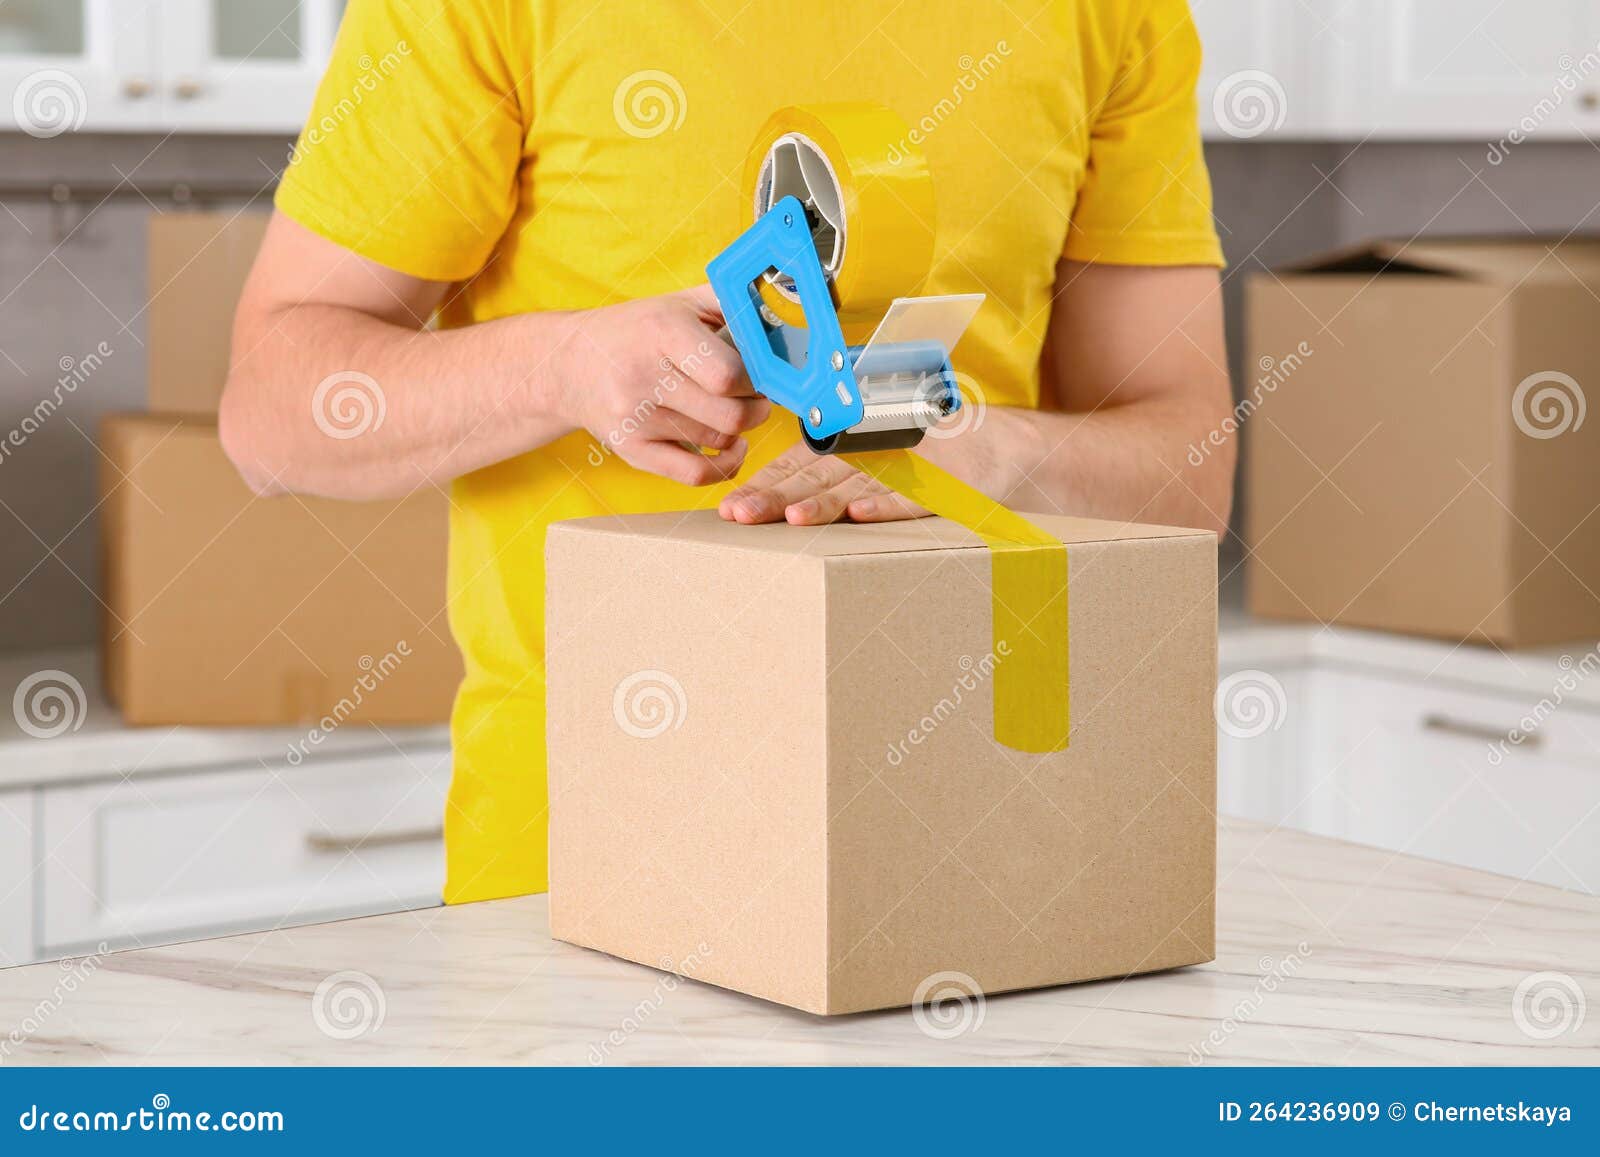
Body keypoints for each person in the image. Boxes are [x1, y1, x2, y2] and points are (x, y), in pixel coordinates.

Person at [219, 0, 1234, 905]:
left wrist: (990, 451)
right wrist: (561, 367)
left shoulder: (1114, 12)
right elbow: (268, 415)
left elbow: (1192, 472)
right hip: (584, 862)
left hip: (969, 839)